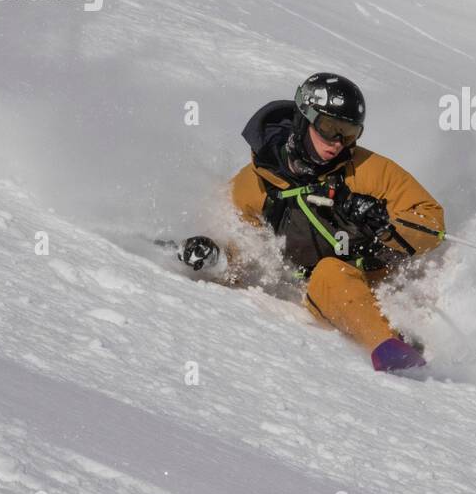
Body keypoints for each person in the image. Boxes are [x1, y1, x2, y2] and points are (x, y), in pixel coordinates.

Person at [177, 73, 444, 371]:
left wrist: (386, 225)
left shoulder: (368, 170)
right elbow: (243, 244)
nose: (338, 143)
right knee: (329, 274)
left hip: (378, 274)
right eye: (330, 129)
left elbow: (431, 220)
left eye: (350, 132)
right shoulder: (255, 184)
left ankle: (397, 347)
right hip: (318, 286)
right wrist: (217, 256)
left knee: (332, 271)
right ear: (304, 118)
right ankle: (391, 348)